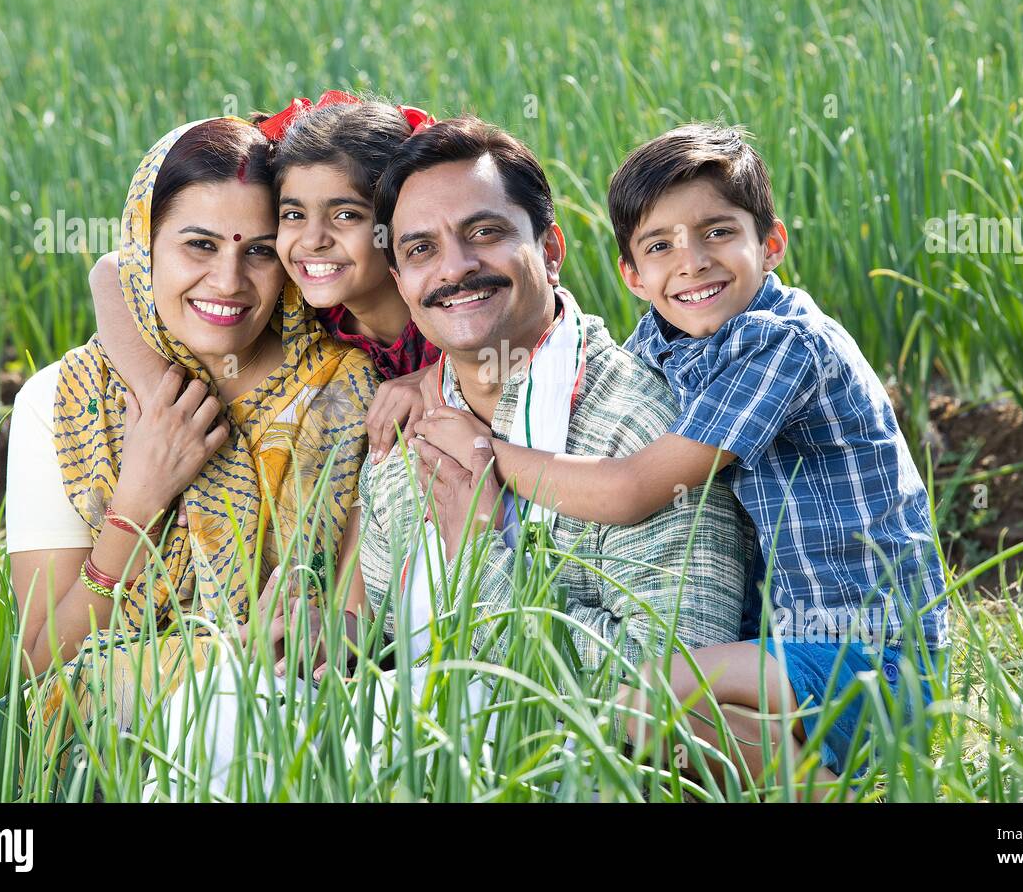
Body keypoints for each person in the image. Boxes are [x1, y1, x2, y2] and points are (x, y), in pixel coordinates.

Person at [414, 122, 950, 785]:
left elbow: (633, 486)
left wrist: (488, 453)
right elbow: (593, 369)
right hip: (779, 659)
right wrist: (423, 383)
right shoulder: (667, 341)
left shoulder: (782, 344)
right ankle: (821, 776)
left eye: (717, 232)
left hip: (867, 658)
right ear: (632, 276)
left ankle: (821, 794)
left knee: (644, 701)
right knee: (661, 742)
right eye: (660, 245)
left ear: (771, 243)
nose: (691, 261)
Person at [6, 116, 378, 780]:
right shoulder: (66, 401)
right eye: (199, 245)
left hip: (303, 723)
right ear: (143, 245)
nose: (229, 281)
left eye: (260, 251)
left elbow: (364, 621)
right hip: (112, 754)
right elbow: (37, 661)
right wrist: (139, 498)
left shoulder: (344, 387)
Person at [350, 116, 749, 701]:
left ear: (550, 249)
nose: (454, 267)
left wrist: (480, 563)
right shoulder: (408, 433)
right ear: (401, 280)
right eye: (421, 249)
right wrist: (336, 638)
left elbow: (666, 696)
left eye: (484, 232)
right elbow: (391, 644)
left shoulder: (643, 425)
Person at [88, 92, 441, 473]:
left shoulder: (447, 304)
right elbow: (111, 270)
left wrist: (438, 379)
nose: (313, 239)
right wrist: (164, 399)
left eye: (345, 214)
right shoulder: (299, 297)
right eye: (293, 214)